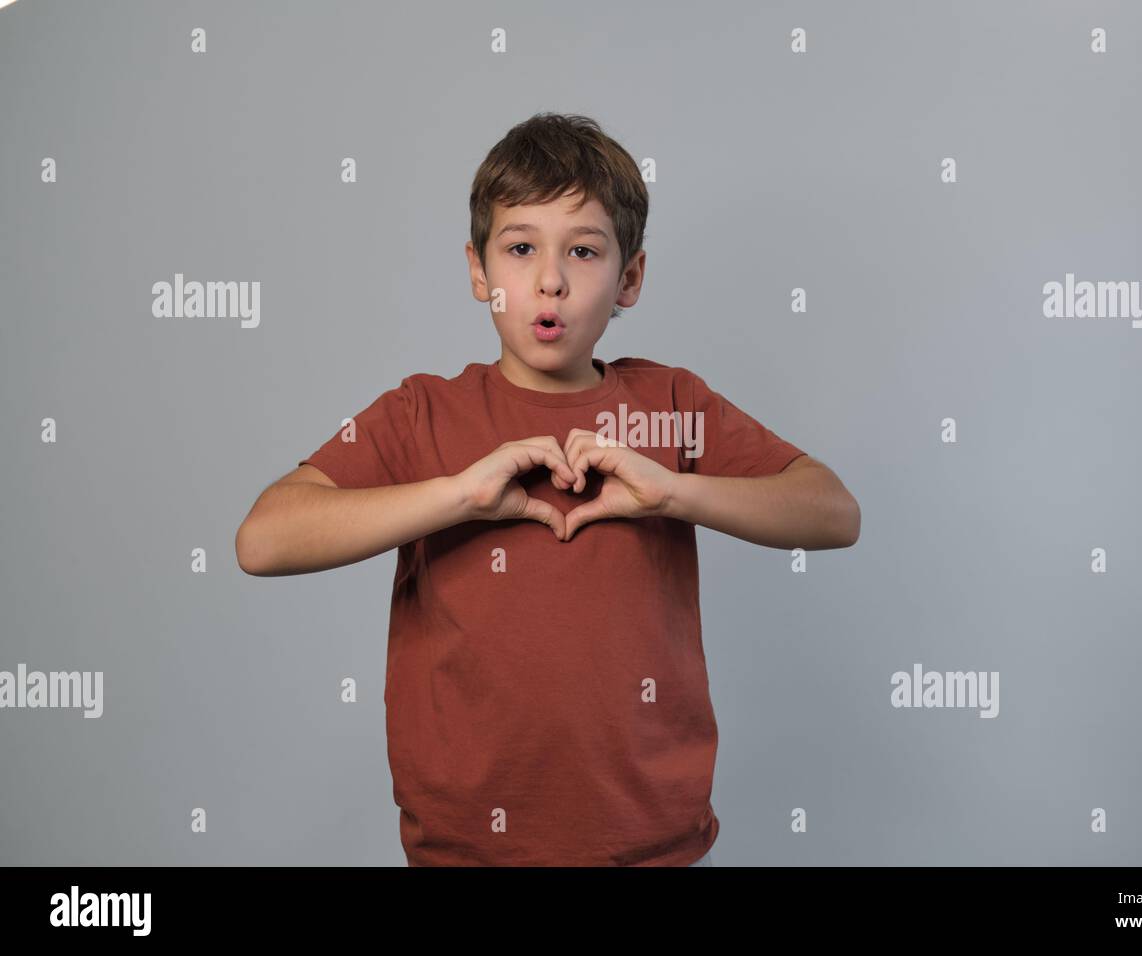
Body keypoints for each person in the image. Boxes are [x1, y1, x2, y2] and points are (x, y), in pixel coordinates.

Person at [235, 112, 860, 866]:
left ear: (629, 278)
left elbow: (832, 511)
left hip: (649, 843)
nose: (550, 279)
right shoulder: (420, 411)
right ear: (479, 272)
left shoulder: (670, 405)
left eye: (585, 251)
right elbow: (264, 539)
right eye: (521, 248)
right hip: (466, 849)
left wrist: (673, 494)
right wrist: (457, 495)